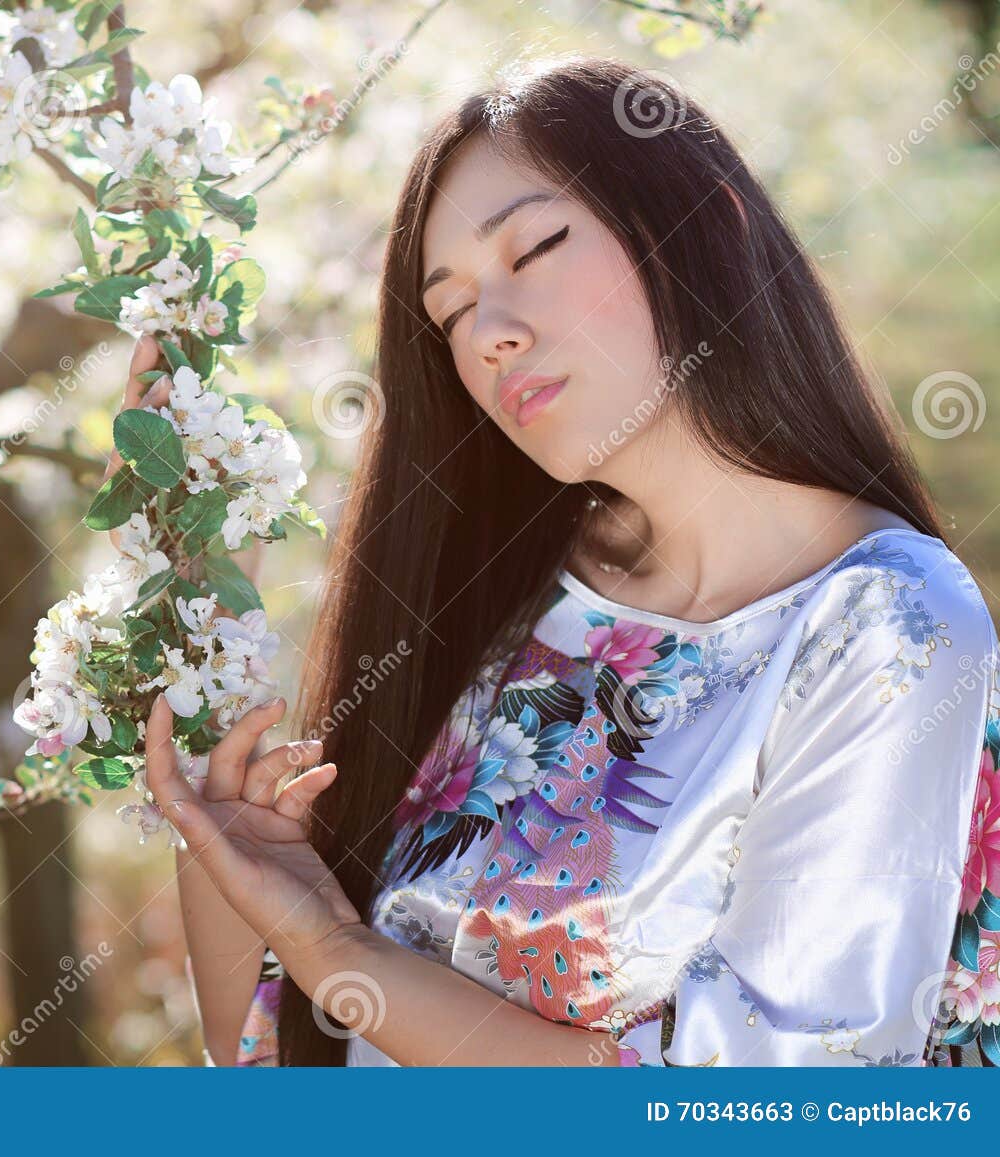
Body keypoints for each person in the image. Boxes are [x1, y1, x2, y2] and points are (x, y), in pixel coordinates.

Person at [119, 54, 1000, 1067]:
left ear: (706, 223)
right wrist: (200, 622)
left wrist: (336, 947)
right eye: (451, 312)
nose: (489, 333)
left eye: (534, 247)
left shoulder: (891, 629)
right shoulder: (503, 600)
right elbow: (271, 1060)